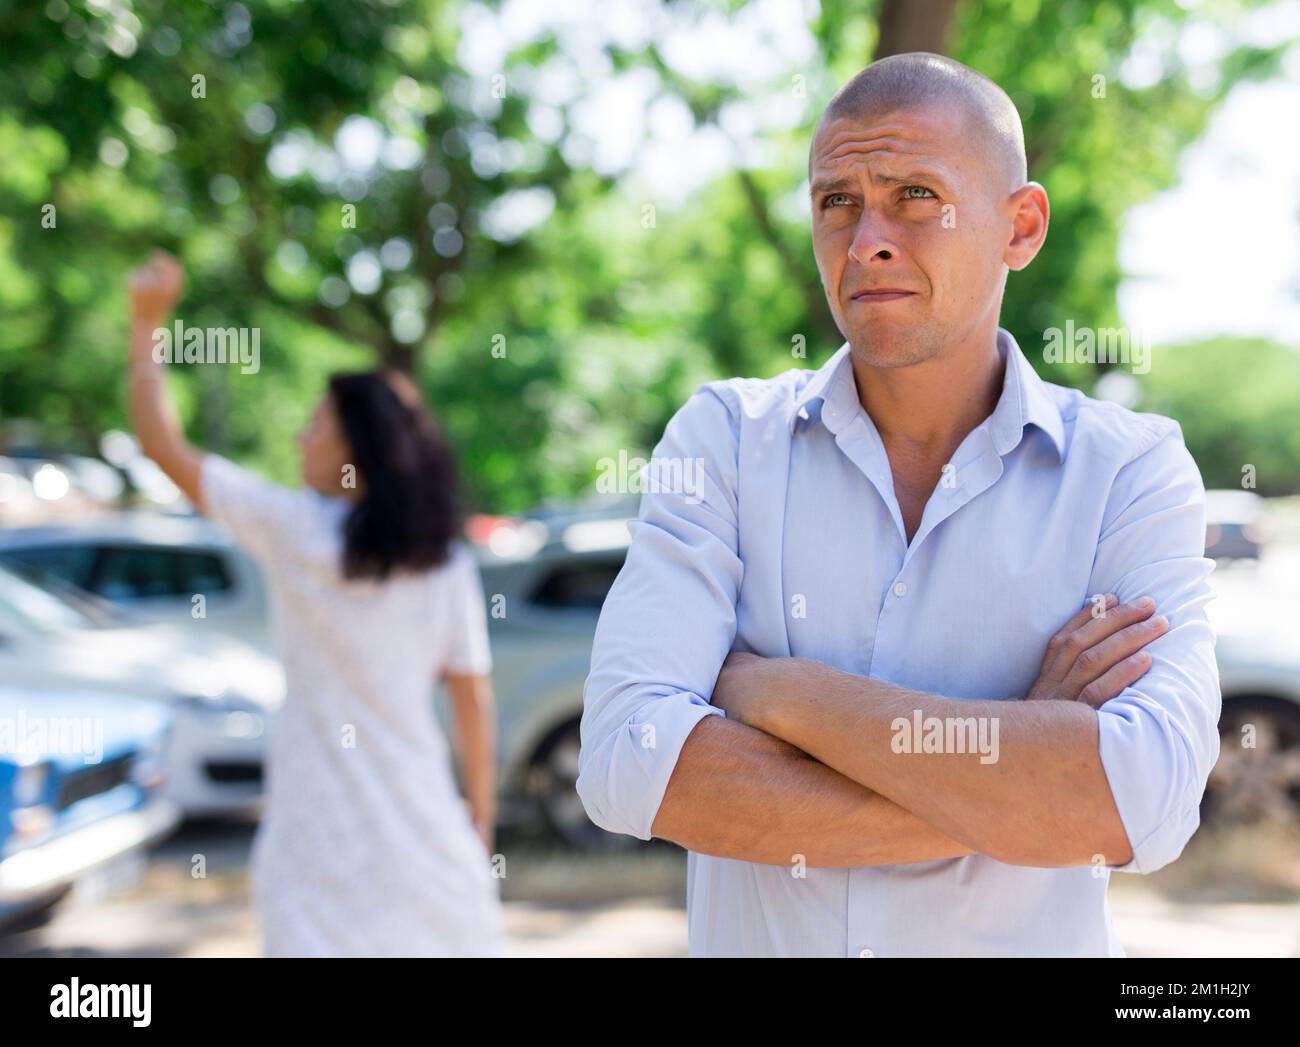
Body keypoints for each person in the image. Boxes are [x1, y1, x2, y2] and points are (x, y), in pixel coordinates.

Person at [577, 52, 1221, 957]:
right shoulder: (724, 439)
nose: (866, 237)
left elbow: (1141, 803)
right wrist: (1023, 771)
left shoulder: (1129, 471)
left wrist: (778, 691)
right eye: (836, 200)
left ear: (1021, 227)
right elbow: (626, 763)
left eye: (917, 193)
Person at [126, 251, 505, 957]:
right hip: (422, 831)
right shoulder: (443, 558)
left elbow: (161, 446)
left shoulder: (294, 528)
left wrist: (147, 324)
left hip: (315, 837)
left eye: (316, 422)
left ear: (354, 447)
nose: (301, 435)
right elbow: (472, 702)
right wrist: (479, 823)